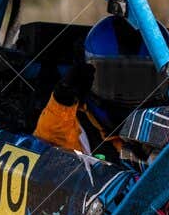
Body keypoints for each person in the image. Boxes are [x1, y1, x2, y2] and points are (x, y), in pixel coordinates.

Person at [32, 16, 157, 160]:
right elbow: (46, 153)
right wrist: (63, 101)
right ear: (88, 77)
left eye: (139, 81)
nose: (126, 92)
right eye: (113, 79)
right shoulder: (77, 128)